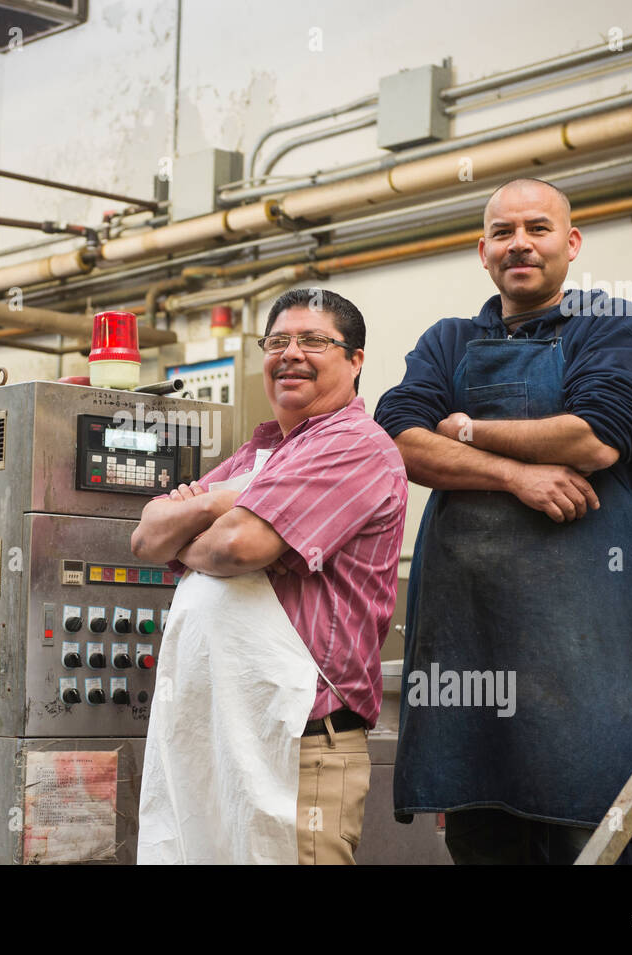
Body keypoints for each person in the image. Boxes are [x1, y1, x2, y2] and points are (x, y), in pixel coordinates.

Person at [374, 178, 632, 864]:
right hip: (465, 644)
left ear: (569, 243)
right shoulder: (448, 341)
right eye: (503, 232)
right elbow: (397, 439)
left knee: (589, 831)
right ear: (483, 251)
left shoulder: (611, 325)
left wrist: (468, 431)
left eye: (538, 228)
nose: (520, 244)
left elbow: (595, 438)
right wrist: (517, 474)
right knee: (480, 830)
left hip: (578, 647)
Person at [132, 287, 407, 864]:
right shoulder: (258, 453)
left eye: (314, 341)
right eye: (278, 341)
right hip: (220, 741)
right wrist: (226, 499)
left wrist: (208, 513)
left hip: (299, 751)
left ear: (355, 360)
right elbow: (148, 536)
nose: (291, 354)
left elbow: (239, 546)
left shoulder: (354, 445)